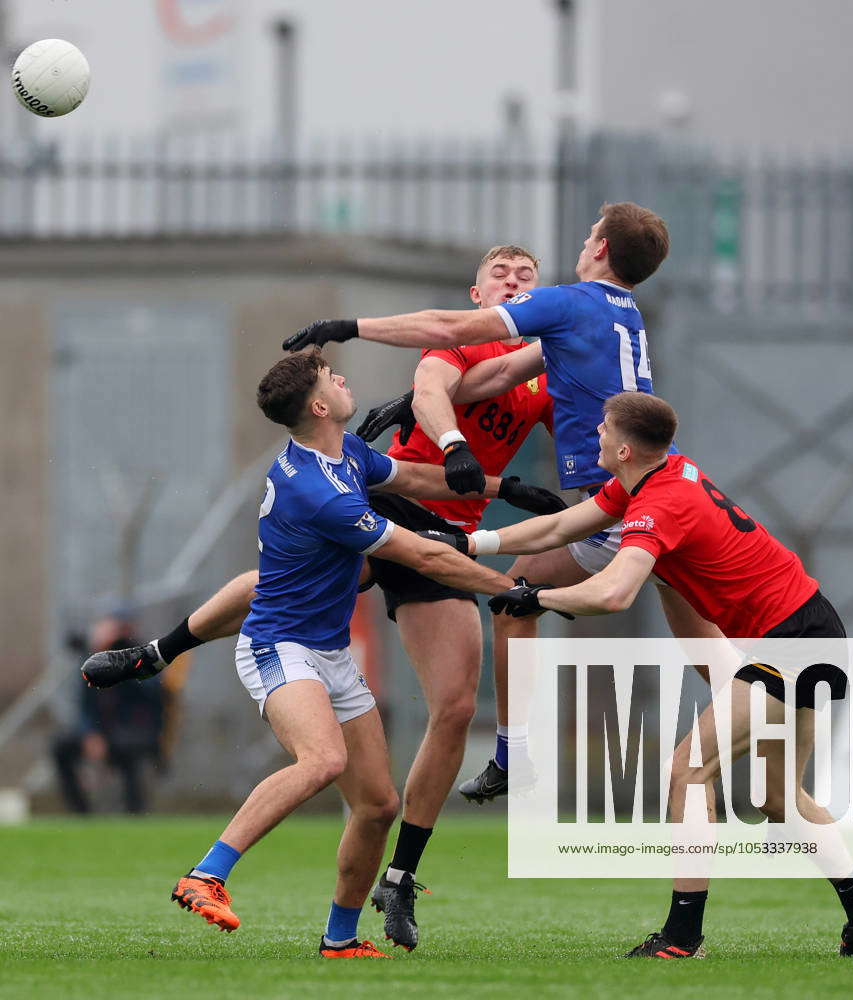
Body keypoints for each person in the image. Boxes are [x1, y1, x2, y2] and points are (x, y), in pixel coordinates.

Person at [83, 347, 561, 957]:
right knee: (321, 761)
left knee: (379, 804)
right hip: (279, 648)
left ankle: (339, 939)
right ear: (318, 405)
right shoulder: (321, 491)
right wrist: (518, 590)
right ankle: (206, 875)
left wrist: (507, 487)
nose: (343, 378)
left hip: (329, 654)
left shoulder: (344, 455)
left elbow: (413, 477)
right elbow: (423, 555)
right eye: (331, 377)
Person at [433, 391, 853, 959]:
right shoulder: (654, 477)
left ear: (626, 448)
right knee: (777, 796)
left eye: (604, 430)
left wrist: (530, 594)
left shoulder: (658, 504)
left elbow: (614, 592)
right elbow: (560, 528)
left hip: (795, 645)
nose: (595, 437)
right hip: (809, 631)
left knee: (689, 769)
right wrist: (471, 543)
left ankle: (682, 938)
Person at [287, 201, 726, 803]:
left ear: (599, 249)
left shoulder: (571, 303)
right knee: (709, 657)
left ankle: (515, 753)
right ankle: (775, 713)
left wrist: (349, 327)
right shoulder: (621, 315)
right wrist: (416, 398)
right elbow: (480, 377)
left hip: (625, 505)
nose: (516, 281)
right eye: (502, 274)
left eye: (590, 234)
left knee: (519, 592)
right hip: (660, 489)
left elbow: (447, 328)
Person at [53, 613, 165, 814]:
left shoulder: (143, 655)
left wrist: (124, 660)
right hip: (101, 731)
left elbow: (152, 693)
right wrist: (90, 734)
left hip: (133, 730)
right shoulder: (93, 660)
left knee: (128, 750)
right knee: (60, 746)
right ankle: (81, 813)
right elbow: (85, 705)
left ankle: (134, 813)